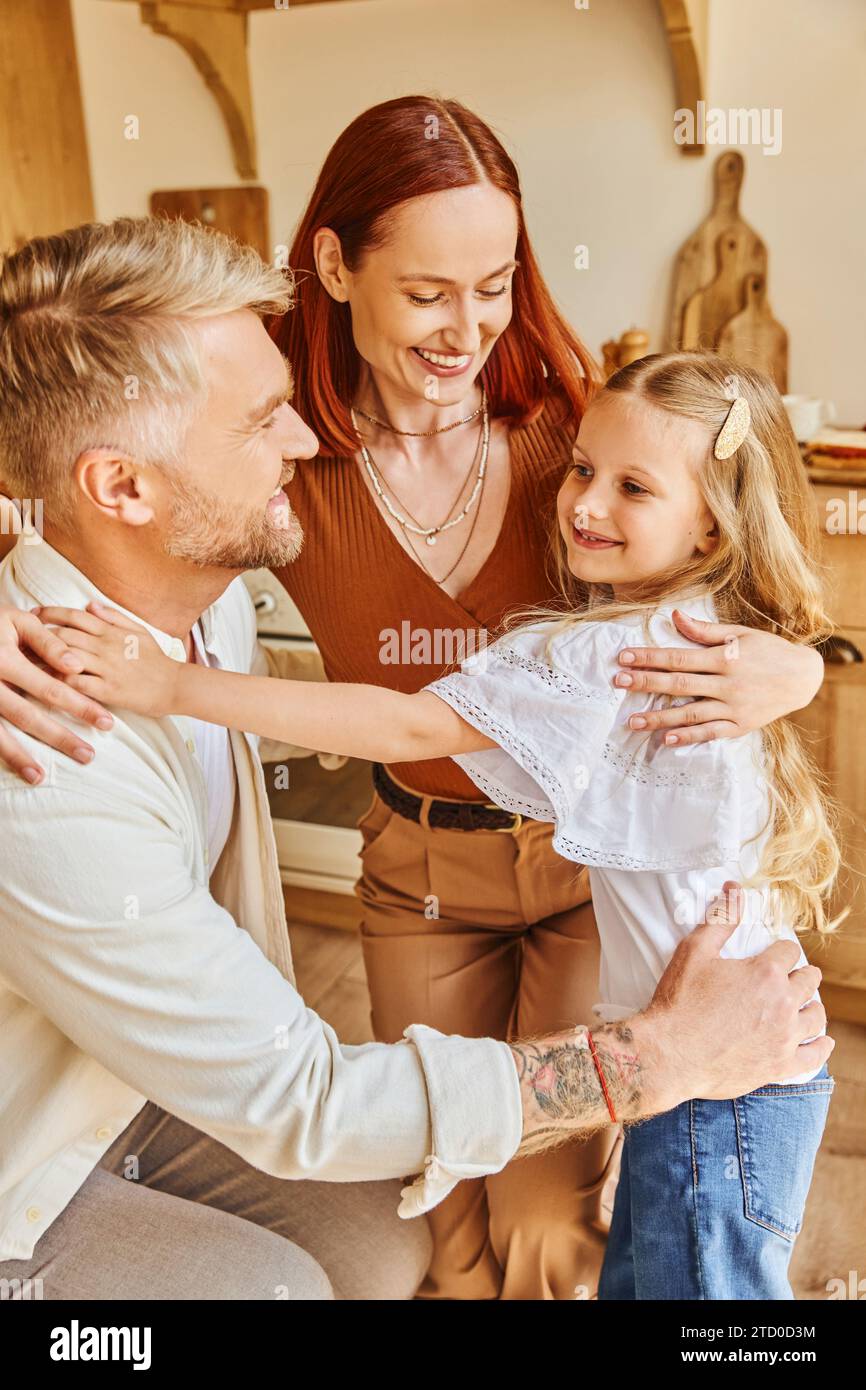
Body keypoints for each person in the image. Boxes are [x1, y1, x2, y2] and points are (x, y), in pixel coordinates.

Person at [0, 217, 832, 1301]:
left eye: (492, 283)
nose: (307, 440)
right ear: (123, 488)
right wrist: (658, 1057)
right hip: (42, 1139)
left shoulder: (191, 601)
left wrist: (797, 665)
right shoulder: (45, 740)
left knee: (482, 1243)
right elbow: (303, 1096)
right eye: (263, 419)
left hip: (152, 1073)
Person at [263, 96, 825, 1299]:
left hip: (581, 881)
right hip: (417, 872)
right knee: (441, 1203)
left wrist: (805, 666)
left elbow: (741, 556)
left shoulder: (572, 438)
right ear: (332, 263)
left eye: (494, 282)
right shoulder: (280, 455)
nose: (467, 325)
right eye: (426, 290)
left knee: (545, 1213)